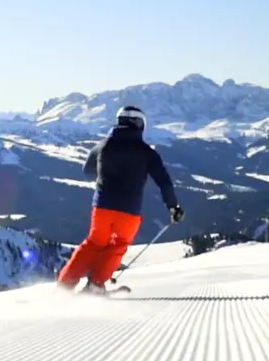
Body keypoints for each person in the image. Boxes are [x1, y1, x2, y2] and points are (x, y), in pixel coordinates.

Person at [57, 105, 185, 294]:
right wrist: (173, 206)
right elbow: (164, 182)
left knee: (92, 244)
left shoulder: (102, 146)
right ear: (140, 124)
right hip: (129, 211)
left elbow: (87, 172)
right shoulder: (146, 152)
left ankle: (65, 284)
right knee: (118, 245)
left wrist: (105, 176)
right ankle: (96, 284)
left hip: (101, 207)